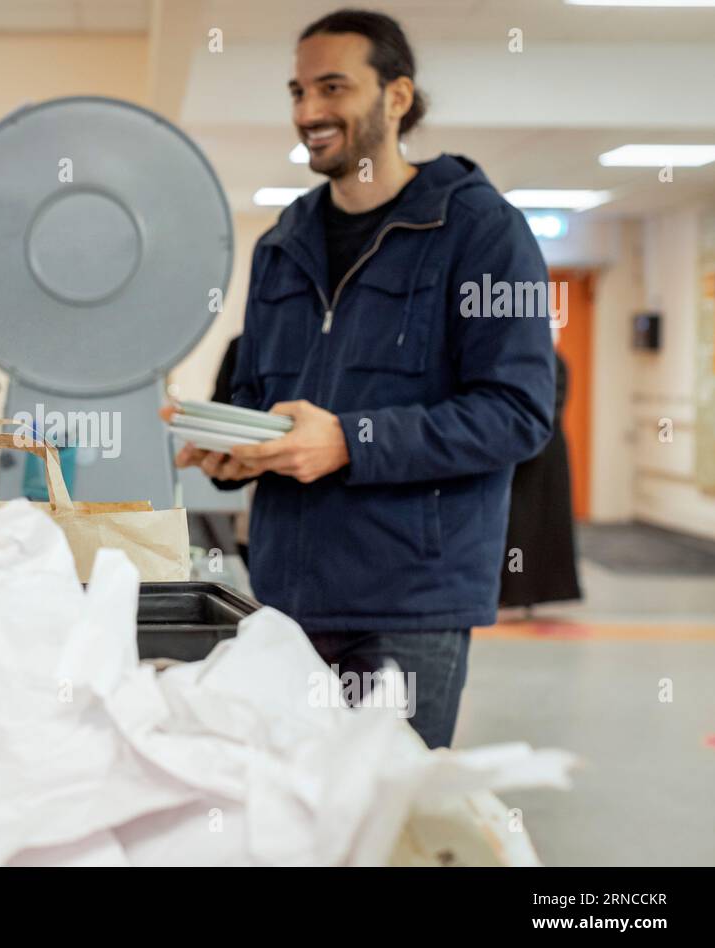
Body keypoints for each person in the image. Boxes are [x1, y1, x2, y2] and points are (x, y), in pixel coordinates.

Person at [174, 9, 555, 748]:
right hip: (286, 599)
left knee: (383, 823)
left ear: (397, 96)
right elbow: (261, 397)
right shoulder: (283, 242)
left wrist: (350, 441)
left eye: (332, 87)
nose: (308, 112)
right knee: (289, 818)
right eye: (296, 91)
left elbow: (517, 412)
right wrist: (233, 448)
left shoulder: (481, 232)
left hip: (410, 606)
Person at [500, 349, 582, 610]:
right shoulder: (528, 360)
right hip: (528, 453)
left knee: (537, 525)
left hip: (541, 454)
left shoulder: (551, 363)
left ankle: (531, 591)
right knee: (520, 527)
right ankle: (516, 590)